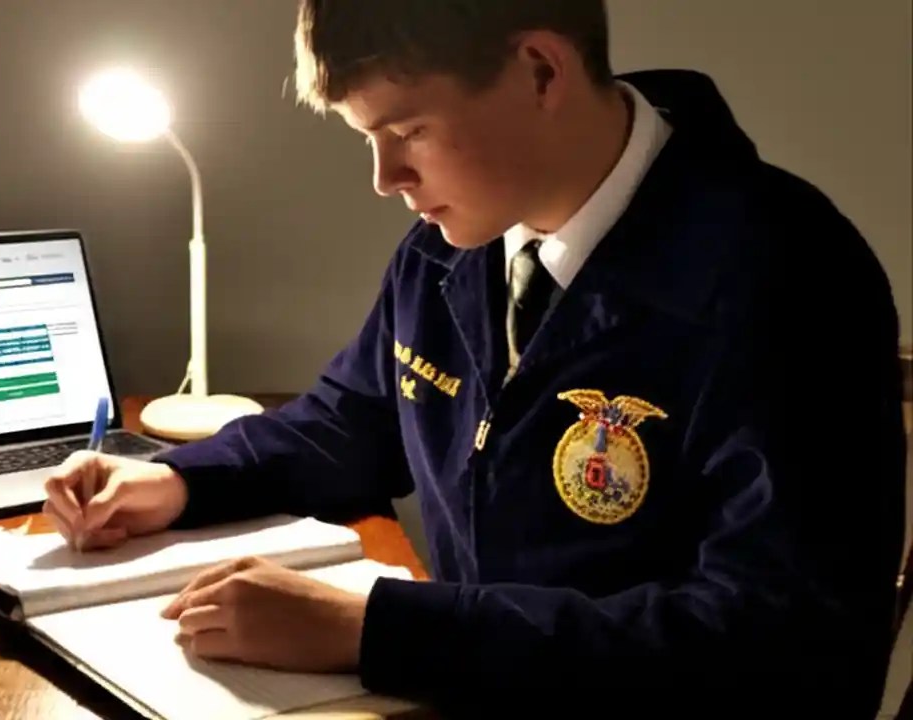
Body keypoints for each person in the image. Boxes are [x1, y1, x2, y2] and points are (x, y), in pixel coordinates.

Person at [44, 0, 907, 715]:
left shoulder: (784, 276)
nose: (385, 176)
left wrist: (377, 630)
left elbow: (779, 642)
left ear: (541, 71)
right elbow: (355, 421)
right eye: (366, 137)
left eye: (409, 128)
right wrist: (184, 481)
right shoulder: (455, 247)